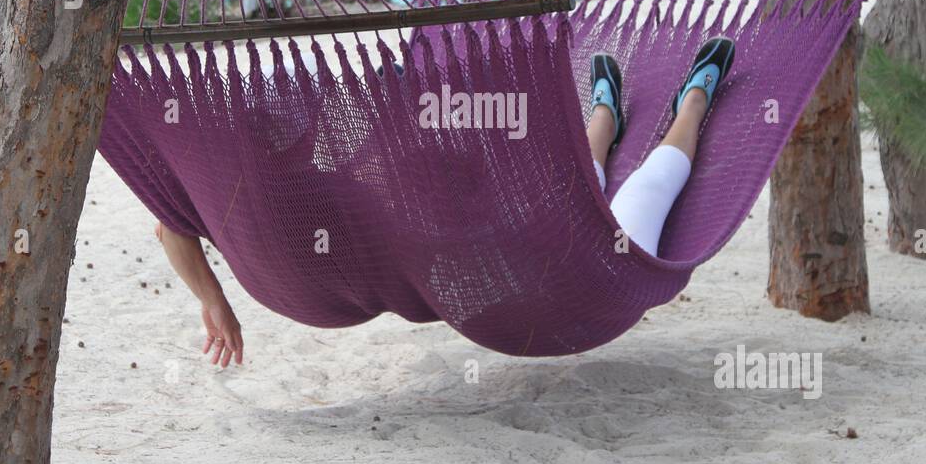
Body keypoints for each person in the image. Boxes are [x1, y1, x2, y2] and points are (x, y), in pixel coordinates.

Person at [153, 35, 735, 367]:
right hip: (530, 274)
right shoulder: (335, 189)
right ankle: (685, 107)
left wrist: (216, 302)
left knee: (581, 212)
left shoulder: (222, 191)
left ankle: (605, 119)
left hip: (507, 267)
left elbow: (169, 228)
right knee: (629, 212)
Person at [586, 36, 735, 256]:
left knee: (572, 194)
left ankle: (604, 121)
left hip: (547, 260)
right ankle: (693, 104)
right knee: (645, 191)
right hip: (617, 278)